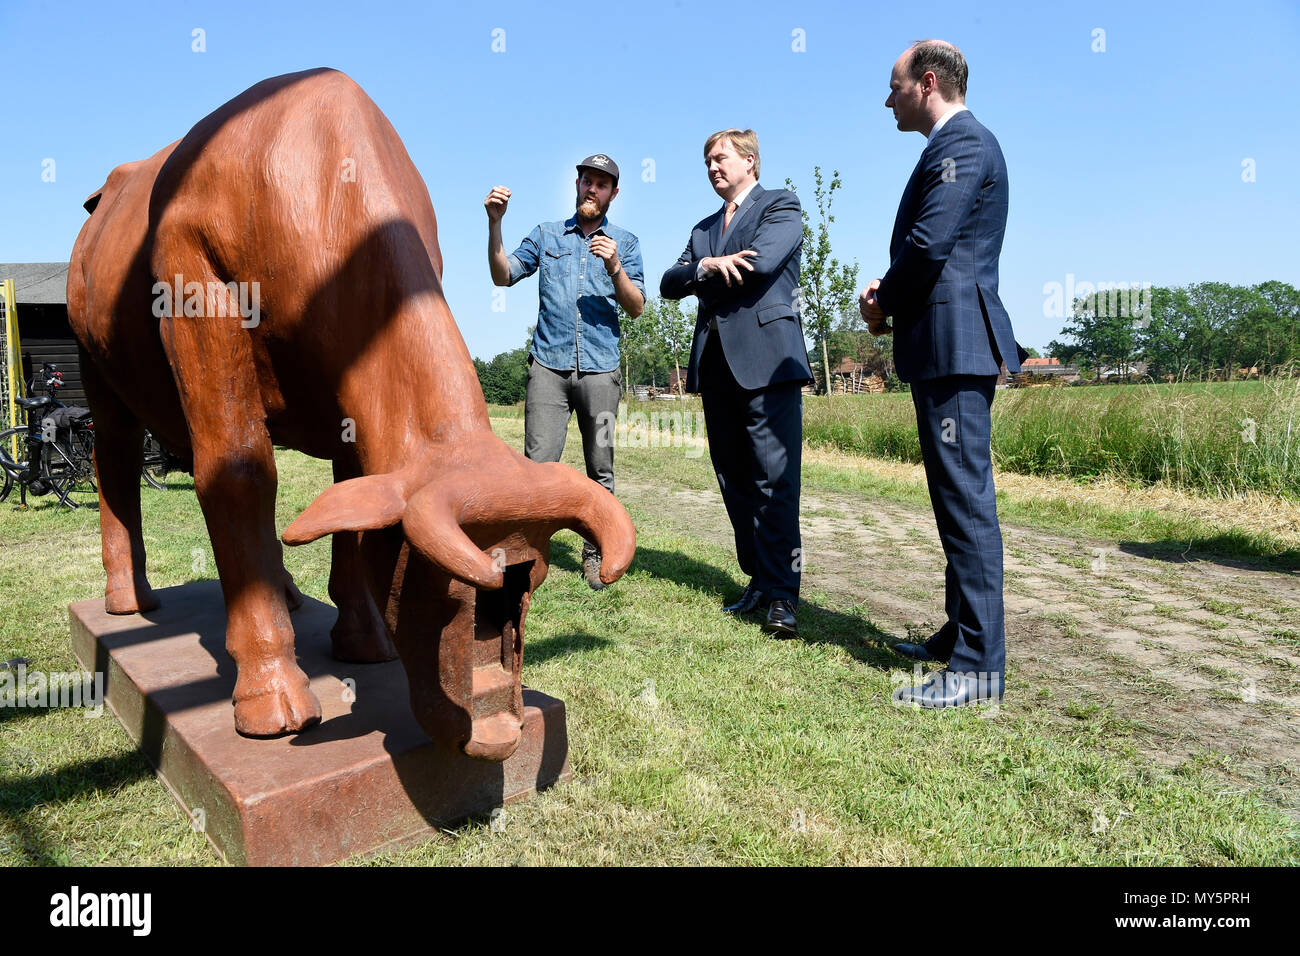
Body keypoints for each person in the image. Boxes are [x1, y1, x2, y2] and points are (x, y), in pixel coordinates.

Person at [860, 40, 1026, 707]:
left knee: (965, 504)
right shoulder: (955, 145)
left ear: (926, 83)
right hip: (943, 344)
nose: (887, 98)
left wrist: (880, 300)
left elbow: (929, 246)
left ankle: (979, 668)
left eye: (894, 85)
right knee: (954, 499)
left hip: (956, 344)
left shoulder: (963, 146)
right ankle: (960, 634)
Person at [661, 129, 812, 637]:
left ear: (750, 161)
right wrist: (705, 264)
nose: (712, 167)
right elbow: (667, 284)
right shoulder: (703, 229)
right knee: (734, 480)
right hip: (716, 365)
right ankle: (759, 580)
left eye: (720, 158)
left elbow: (762, 261)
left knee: (774, 479)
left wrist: (699, 272)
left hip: (768, 362)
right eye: (706, 161)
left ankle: (783, 597)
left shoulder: (780, 206)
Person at [486, 154, 645, 588]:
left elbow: (636, 307)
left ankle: (597, 551)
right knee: (536, 469)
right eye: (586, 181)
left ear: (614, 193)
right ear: (576, 184)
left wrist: (614, 267)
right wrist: (495, 224)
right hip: (548, 370)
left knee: (601, 468)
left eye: (602, 184)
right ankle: (526, 554)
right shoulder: (546, 235)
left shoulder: (626, 243)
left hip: (601, 370)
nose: (592, 189)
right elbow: (503, 276)